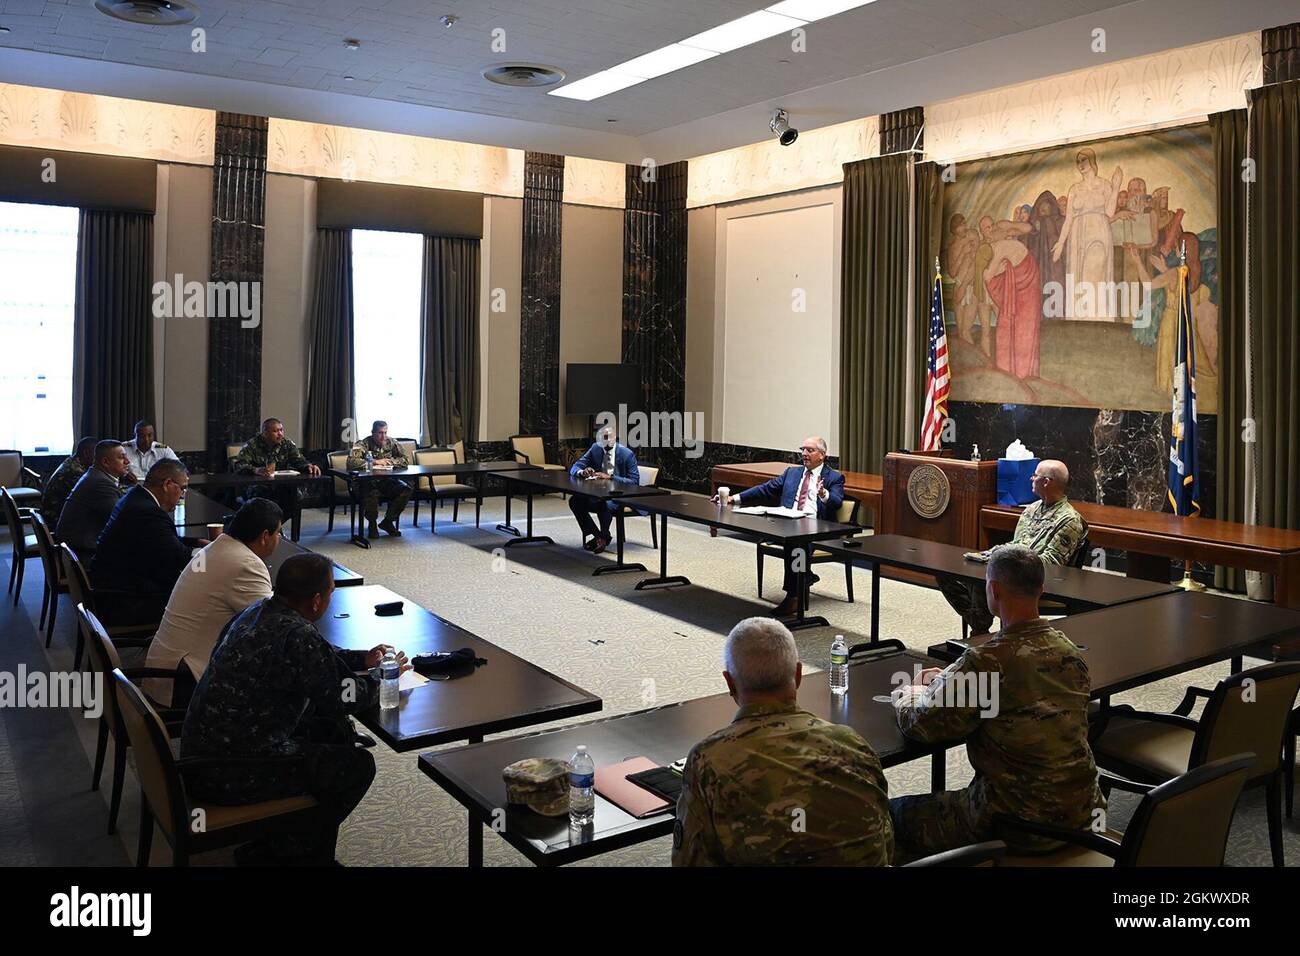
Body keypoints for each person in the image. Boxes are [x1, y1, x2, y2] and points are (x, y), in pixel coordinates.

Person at [181, 554, 409, 866]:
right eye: (331, 592)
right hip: (230, 771)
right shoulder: (297, 635)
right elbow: (342, 698)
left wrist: (361, 660)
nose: (331, 597)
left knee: (332, 731)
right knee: (355, 766)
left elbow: (317, 661)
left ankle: (282, 842)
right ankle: (292, 854)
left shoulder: (257, 612)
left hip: (203, 755)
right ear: (316, 601)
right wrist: (385, 678)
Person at [890, 545, 1105, 861]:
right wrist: (951, 677)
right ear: (1040, 590)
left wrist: (908, 694)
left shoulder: (985, 663)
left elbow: (920, 724)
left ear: (993, 590)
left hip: (1016, 822)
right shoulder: (1070, 651)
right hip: (1084, 812)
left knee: (891, 813)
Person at [673, 617, 893, 866]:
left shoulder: (708, 761)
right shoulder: (852, 745)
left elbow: (690, 861)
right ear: (798, 675)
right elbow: (883, 838)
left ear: (730, 683)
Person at [143, 498, 283, 707]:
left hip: (165, 665)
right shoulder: (246, 563)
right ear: (264, 536)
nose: (280, 537)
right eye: (279, 532)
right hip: (186, 678)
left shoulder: (214, 549)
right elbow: (274, 625)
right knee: (285, 674)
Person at [938, 458, 1087, 635]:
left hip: (1036, 580)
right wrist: (991, 554)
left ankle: (979, 632)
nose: (1031, 479)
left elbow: (1051, 563)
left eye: (1035, 476)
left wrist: (1005, 560)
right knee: (946, 573)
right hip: (1013, 568)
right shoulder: (1031, 509)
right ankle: (981, 630)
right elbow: (1016, 544)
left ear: (1046, 482)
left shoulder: (1070, 520)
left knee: (983, 582)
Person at [714, 436, 845, 617]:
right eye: (803, 449)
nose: (804, 454)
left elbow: (837, 503)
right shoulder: (792, 473)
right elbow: (765, 489)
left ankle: (793, 597)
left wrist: (824, 494)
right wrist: (734, 498)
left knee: (796, 544)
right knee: (788, 537)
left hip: (817, 527)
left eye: (810, 450)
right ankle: (804, 577)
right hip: (789, 521)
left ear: (822, 455)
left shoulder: (834, 477)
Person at [90, 460, 206, 628]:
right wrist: (211, 557)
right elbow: (183, 560)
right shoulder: (149, 513)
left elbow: (161, 541)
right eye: (183, 488)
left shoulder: (135, 497)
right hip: (127, 602)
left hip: (112, 588)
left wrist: (196, 542)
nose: (183, 495)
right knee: (204, 600)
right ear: (167, 484)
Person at [233, 418, 321, 539]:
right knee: (260, 498)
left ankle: (274, 529)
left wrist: (309, 466)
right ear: (265, 433)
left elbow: (299, 460)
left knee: (295, 496)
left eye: (281, 430)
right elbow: (239, 465)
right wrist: (255, 470)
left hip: (280, 484)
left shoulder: (286, 444)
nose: (280, 434)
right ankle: (263, 532)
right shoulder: (253, 445)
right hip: (257, 486)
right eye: (276, 431)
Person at [568, 424, 640, 554]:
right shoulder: (595, 448)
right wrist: (582, 472)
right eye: (603, 439)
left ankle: (603, 535)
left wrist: (611, 477)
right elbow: (575, 467)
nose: (606, 442)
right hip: (598, 492)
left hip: (619, 495)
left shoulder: (627, 454)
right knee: (575, 501)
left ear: (614, 438)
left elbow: (634, 482)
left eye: (609, 438)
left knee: (602, 503)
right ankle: (599, 536)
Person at [55, 440, 131, 558]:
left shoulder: (95, 475)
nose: (128, 461)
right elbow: (122, 520)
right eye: (122, 458)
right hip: (82, 554)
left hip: (75, 546)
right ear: (105, 462)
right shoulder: (100, 483)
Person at [345, 420, 411, 538]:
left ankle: (388, 521)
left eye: (385, 432)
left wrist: (390, 462)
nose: (383, 436)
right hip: (367, 482)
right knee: (372, 492)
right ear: (373, 432)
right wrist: (375, 461)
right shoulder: (363, 444)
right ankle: (372, 523)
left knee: (406, 489)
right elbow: (351, 463)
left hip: (386, 481)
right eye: (380, 433)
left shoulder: (391, 442)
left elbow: (405, 460)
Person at [41, 437, 96, 528]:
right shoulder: (75, 472)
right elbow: (94, 496)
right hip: (57, 521)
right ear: (86, 453)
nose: (98, 459)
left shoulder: (72, 461)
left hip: (55, 514)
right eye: (96, 454)